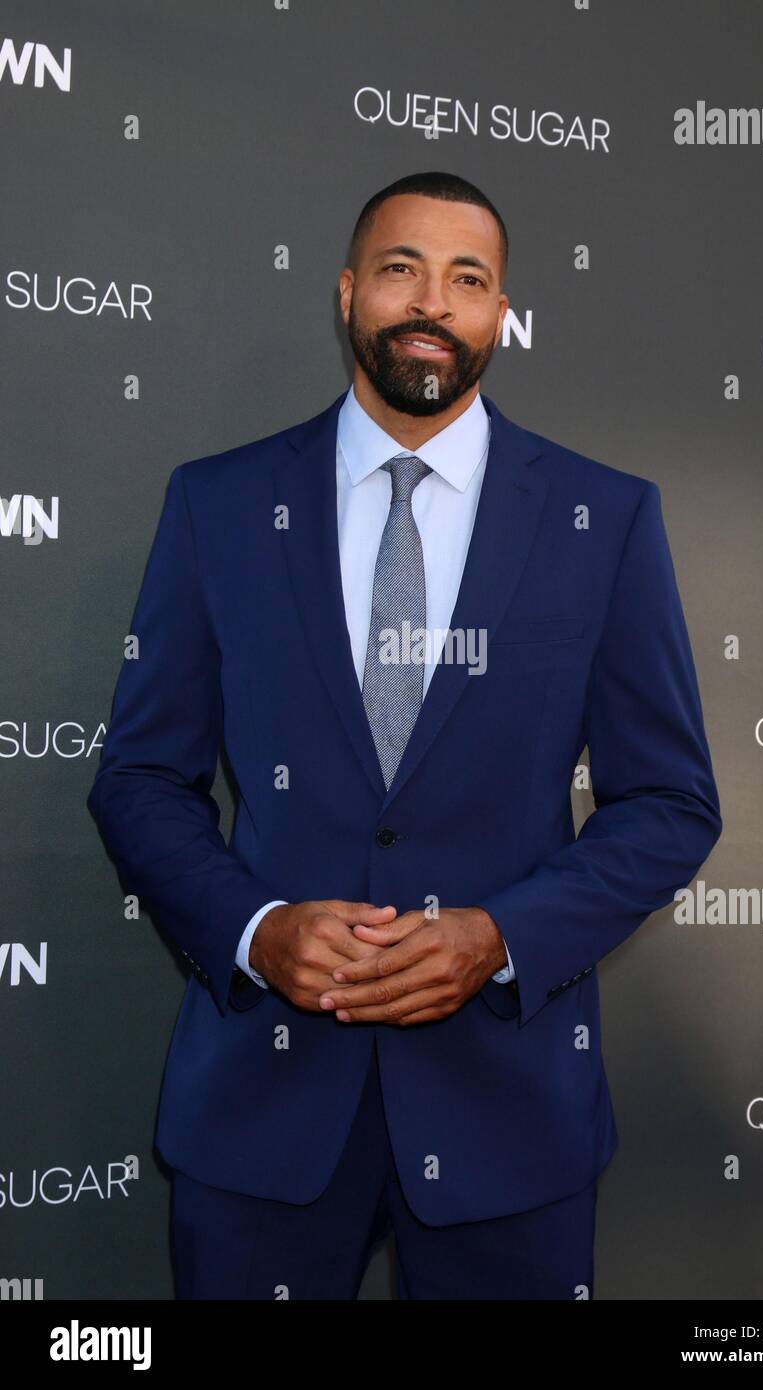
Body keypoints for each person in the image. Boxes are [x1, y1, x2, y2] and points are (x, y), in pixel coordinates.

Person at [87, 169, 722, 1300]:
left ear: (499, 314)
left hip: (508, 1118)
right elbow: (141, 775)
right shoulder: (220, 504)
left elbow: (670, 801)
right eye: (400, 269)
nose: (432, 301)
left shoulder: (604, 519)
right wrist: (253, 928)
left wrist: (500, 935)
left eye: (467, 279)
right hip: (260, 1117)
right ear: (345, 295)